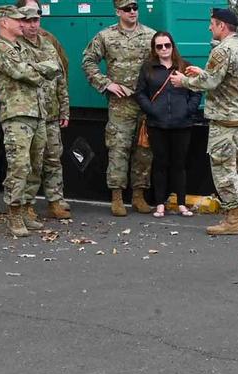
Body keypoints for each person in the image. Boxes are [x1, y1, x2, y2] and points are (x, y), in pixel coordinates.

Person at [171, 7, 238, 236]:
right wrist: (201, 72)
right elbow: (227, 79)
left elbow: (210, 83)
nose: (210, 27)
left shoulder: (222, 50)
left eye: (212, 23)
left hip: (224, 119)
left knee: (222, 168)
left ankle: (231, 218)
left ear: (222, 25)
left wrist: (184, 80)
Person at [0, 5, 54, 237]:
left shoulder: (21, 46)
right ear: (4, 22)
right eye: (18, 20)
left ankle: (26, 208)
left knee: (36, 165)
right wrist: (38, 70)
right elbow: (26, 74)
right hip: (16, 114)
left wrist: (37, 69)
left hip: (37, 112)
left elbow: (53, 65)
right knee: (19, 165)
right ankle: (14, 214)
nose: (23, 23)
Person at [82, 0, 156, 216]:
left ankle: (139, 196)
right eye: (127, 9)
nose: (132, 12)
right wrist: (106, 84)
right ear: (118, 12)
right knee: (118, 149)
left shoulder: (151, 36)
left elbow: (163, 62)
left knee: (144, 149)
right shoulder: (106, 36)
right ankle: (116, 197)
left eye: (135, 8)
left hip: (144, 103)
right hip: (120, 104)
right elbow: (88, 61)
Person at [136, 31, 201, 218]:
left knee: (179, 164)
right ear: (154, 49)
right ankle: (159, 204)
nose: (164, 49)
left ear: (173, 46)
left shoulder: (185, 66)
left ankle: (181, 203)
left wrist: (189, 109)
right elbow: (140, 92)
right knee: (160, 163)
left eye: (167, 45)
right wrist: (152, 109)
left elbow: (197, 90)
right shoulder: (148, 68)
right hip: (157, 124)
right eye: (159, 46)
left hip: (182, 123)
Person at [15, 1, 70, 221]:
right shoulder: (14, 46)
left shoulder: (48, 44)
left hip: (51, 113)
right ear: (20, 21)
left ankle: (55, 202)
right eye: (27, 21)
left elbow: (60, 78)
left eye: (35, 20)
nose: (32, 25)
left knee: (54, 159)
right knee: (32, 162)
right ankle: (27, 204)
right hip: (29, 114)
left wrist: (64, 109)